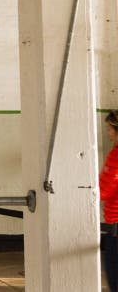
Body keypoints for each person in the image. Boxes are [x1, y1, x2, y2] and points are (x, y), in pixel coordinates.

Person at [101, 110, 118, 292]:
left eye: (109, 128)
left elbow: (105, 190)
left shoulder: (115, 156)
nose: (108, 132)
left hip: (115, 227)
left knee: (115, 281)